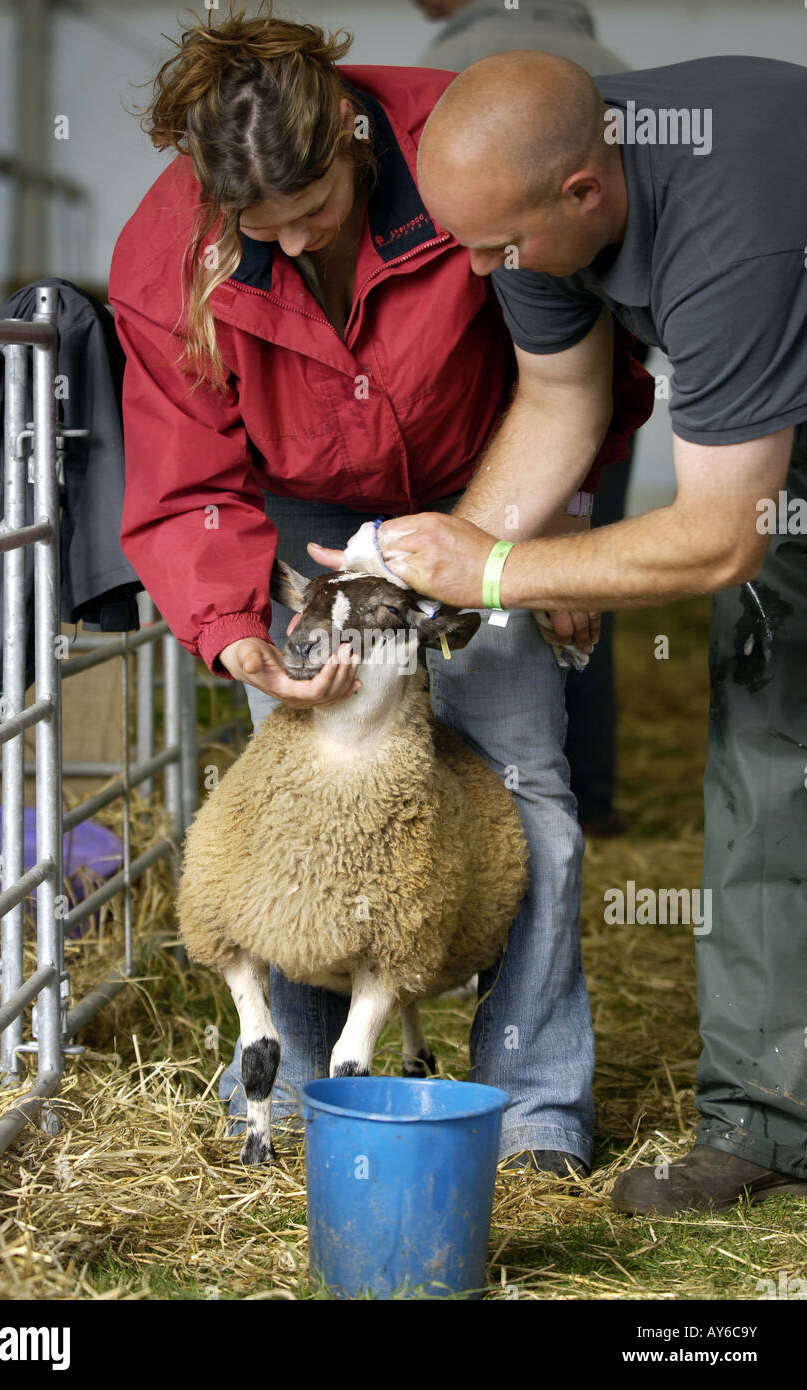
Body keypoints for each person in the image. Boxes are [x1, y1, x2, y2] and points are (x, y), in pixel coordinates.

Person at [108, 9, 652, 1176]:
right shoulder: (169, 256)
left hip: (491, 481)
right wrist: (231, 631)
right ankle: (301, 1096)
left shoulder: (461, 148)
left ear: (351, 138)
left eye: (314, 208)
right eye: (263, 226)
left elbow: (575, 342)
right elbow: (182, 473)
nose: (295, 241)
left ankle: (533, 1108)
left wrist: (561, 517)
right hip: (304, 513)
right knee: (304, 791)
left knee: (526, 781)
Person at [344, 49, 807, 1212]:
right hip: (778, 427)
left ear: (586, 192)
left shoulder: (729, 227)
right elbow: (560, 401)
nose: (480, 271)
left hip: (763, 430)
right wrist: (428, 591)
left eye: (497, 248)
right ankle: (766, 1121)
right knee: (769, 732)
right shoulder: (535, 212)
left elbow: (721, 539)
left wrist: (503, 567)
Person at [411, 0, 640, 836]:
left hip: (489, 390)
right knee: (575, 583)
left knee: (516, 585)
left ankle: (471, 799)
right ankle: (589, 796)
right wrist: (567, 514)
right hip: (594, 379)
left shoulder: (452, 76)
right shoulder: (603, 69)